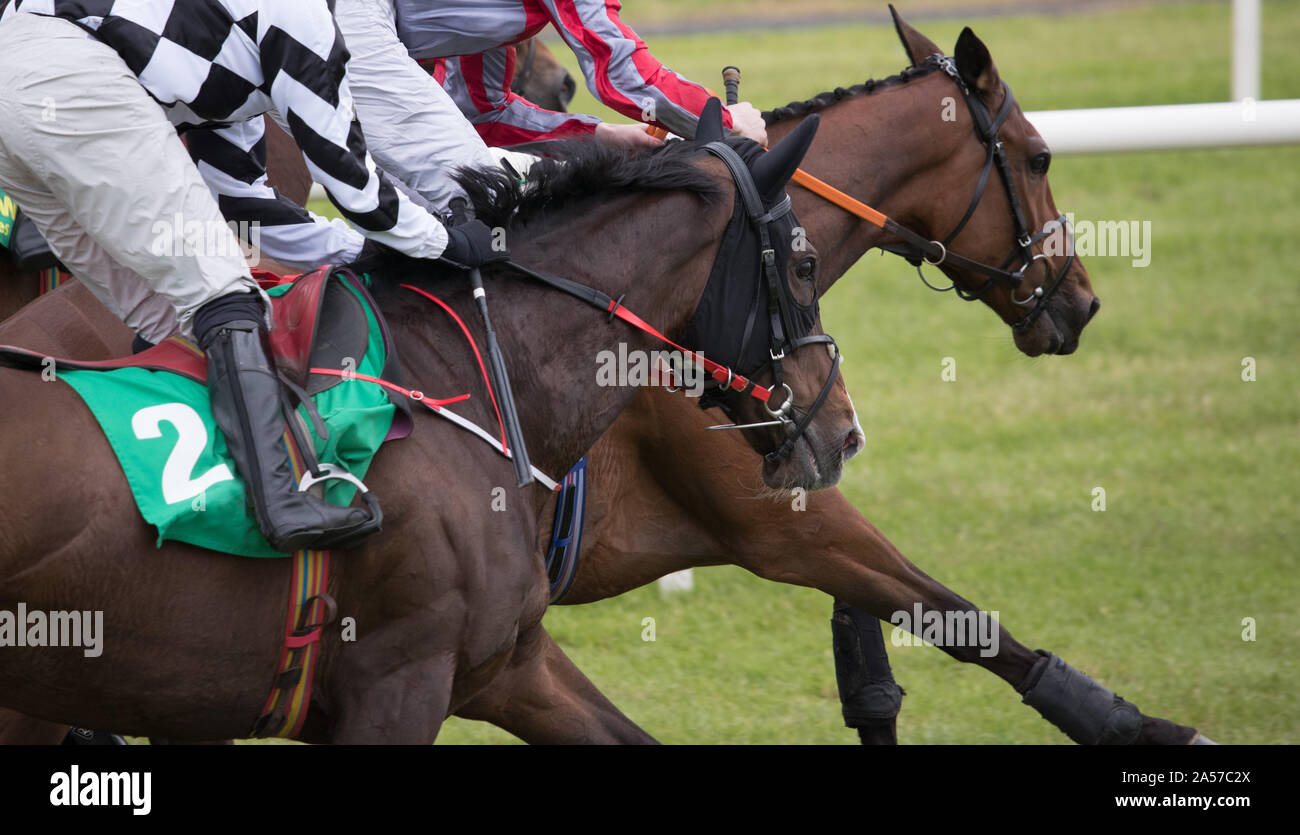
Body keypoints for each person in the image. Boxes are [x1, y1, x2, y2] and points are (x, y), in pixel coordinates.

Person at [0, 0, 505, 553]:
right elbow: (354, 187)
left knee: (167, 313)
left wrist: (372, 252)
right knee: (223, 295)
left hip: (18, 84)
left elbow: (248, 207)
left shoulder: (236, 46)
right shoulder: (306, 20)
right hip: (65, 81)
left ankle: (185, 485)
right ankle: (281, 502)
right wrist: (443, 242)